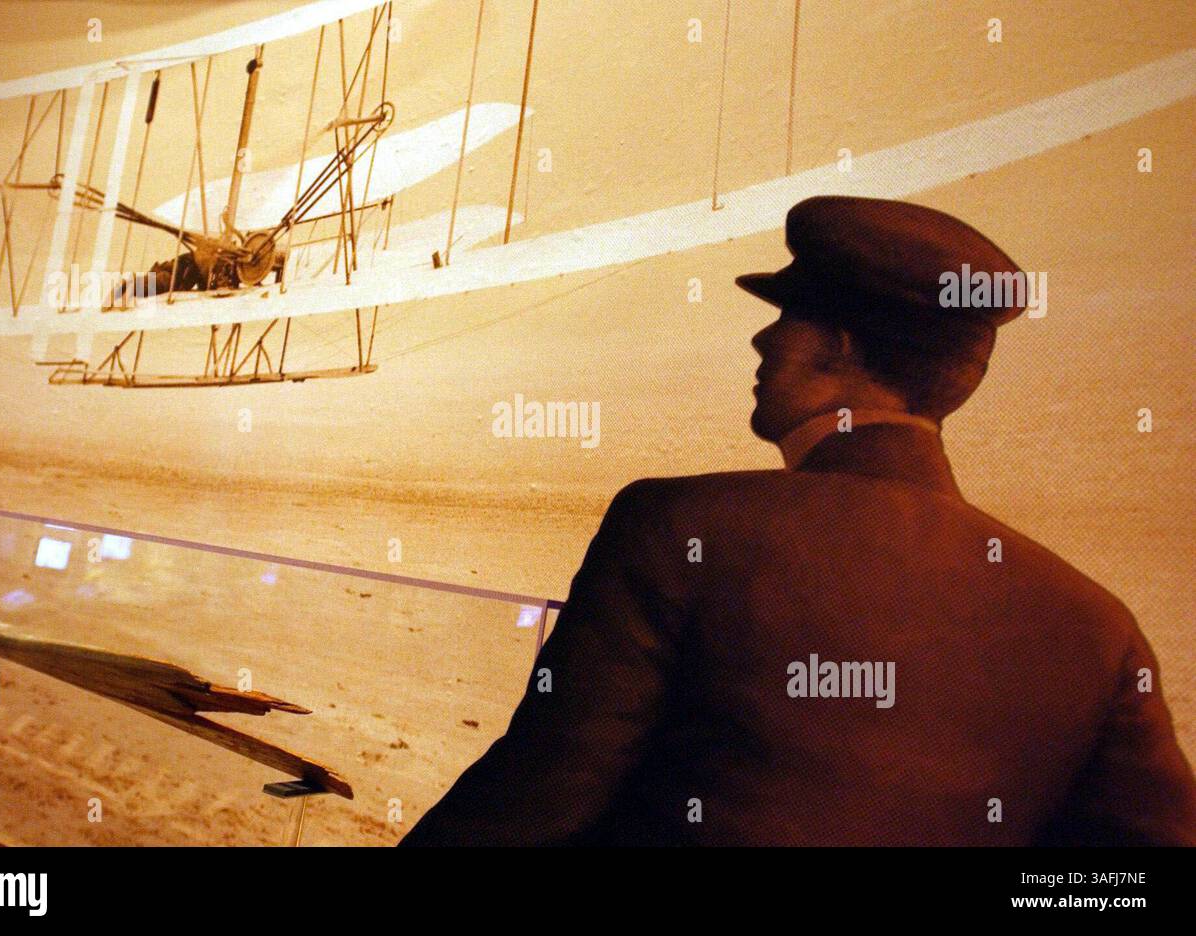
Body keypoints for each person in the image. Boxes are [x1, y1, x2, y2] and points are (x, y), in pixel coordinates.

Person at [400, 196, 1196, 846]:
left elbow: (531, 804)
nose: (761, 336)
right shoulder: (1095, 624)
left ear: (838, 349)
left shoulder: (680, 528)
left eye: (787, 317)